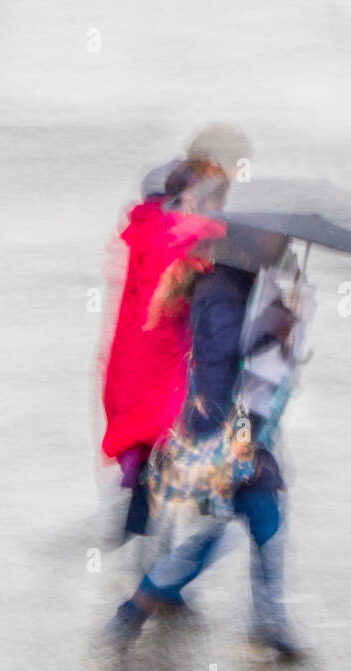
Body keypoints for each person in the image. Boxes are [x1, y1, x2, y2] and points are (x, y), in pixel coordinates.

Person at [106, 224, 302, 662]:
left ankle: (270, 624)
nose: (283, 243)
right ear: (253, 241)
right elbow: (221, 364)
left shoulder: (243, 283)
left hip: (244, 429)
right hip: (227, 433)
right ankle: (133, 610)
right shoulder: (223, 291)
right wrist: (275, 329)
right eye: (278, 237)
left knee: (265, 519)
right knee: (222, 531)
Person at [100, 129, 249, 543]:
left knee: (147, 454)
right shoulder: (187, 236)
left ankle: (138, 545)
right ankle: (150, 578)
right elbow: (192, 258)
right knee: (163, 453)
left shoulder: (147, 228)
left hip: (132, 360)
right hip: (163, 365)